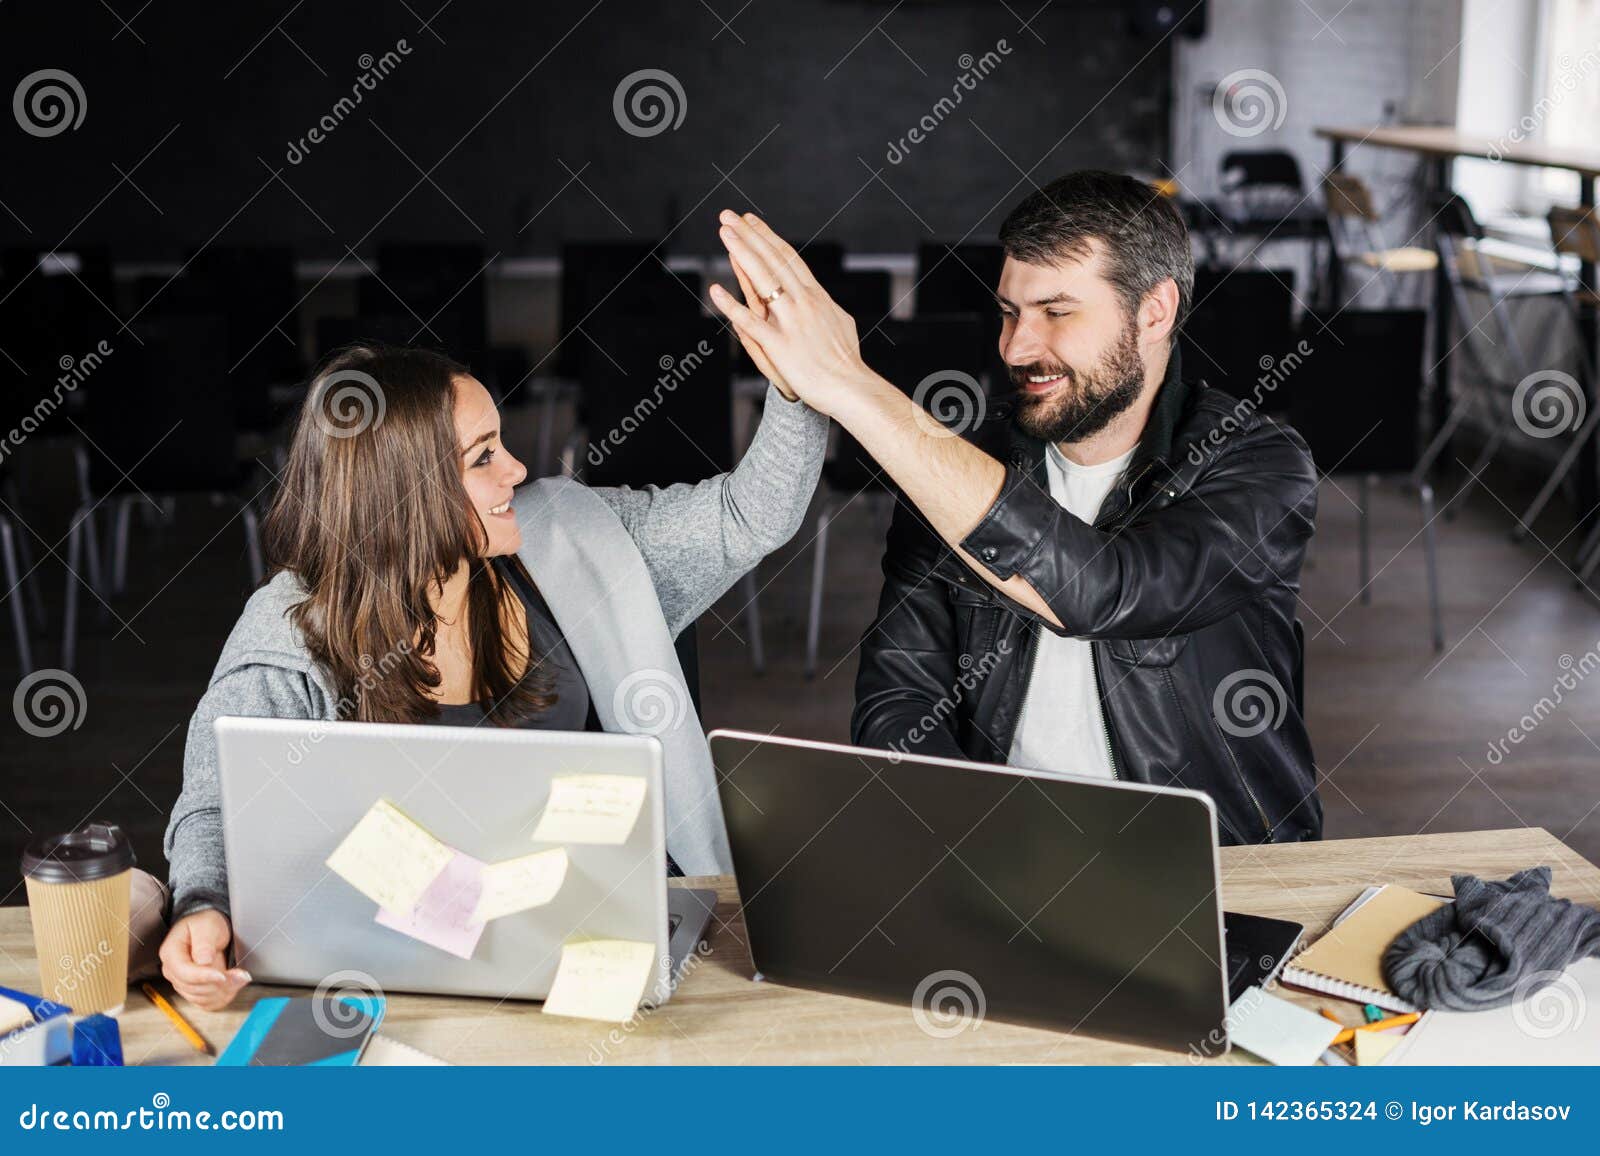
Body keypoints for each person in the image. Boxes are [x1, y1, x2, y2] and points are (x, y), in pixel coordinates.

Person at [158, 318, 826, 1010]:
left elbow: (753, 514)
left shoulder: (574, 535)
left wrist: (795, 384)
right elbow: (217, 803)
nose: (517, 470)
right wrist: (201, 909)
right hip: (401, 966)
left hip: (603, 934)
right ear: (403, 492)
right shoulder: (291, 629)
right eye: (482, 458)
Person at [705, 170, 1322, 847]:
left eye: (1056, 312)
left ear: (1154, 311)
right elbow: (899, 701)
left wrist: (854, 388)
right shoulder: (958, 466)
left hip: (1216, 862)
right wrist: (976, 843)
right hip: (1003, 851)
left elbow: (1108, 591)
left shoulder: (1259, 464)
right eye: (1009, 312)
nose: (1017, 346)